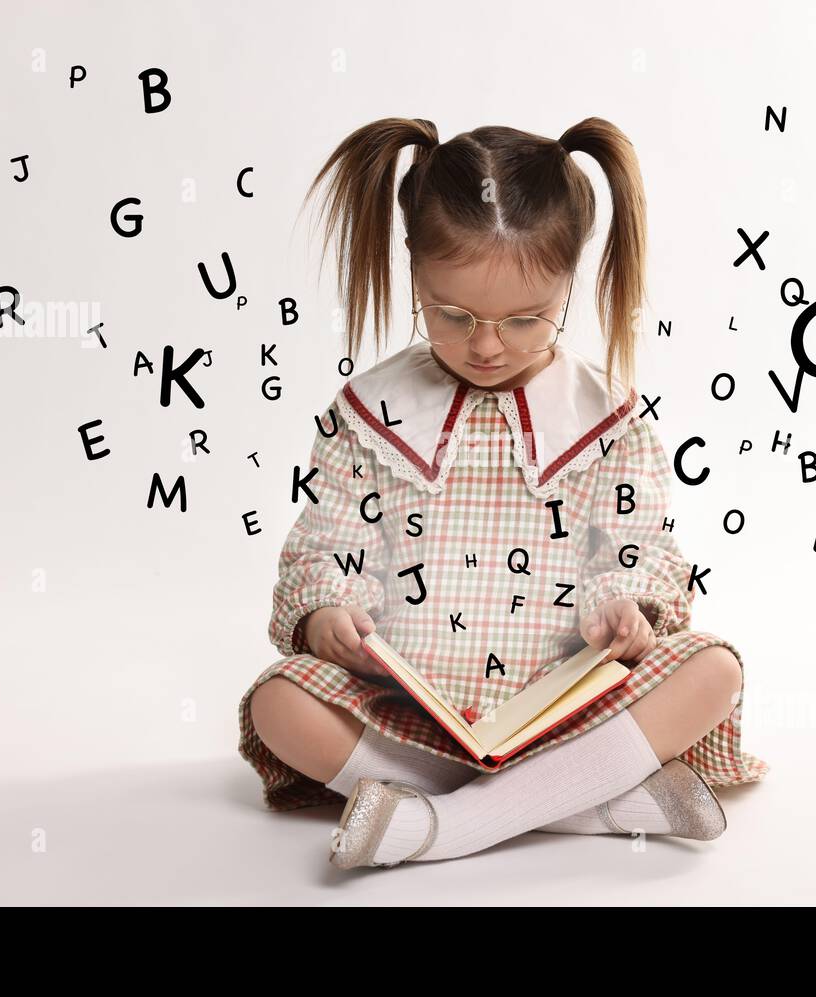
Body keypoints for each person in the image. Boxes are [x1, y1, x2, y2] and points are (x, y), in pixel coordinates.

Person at [238, 116, 769, 869]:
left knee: (714, 670)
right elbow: (327, 544)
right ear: (415, 272)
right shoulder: (367, 414)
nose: (486, 345)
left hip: (572, 711)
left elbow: (639, 545)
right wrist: (326, 614)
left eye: (525, 319)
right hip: (410, 712)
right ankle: (580, 805)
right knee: (278, 702)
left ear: (568, 283)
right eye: (452, 314)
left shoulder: (606, 417)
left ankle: (442, 823)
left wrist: (626, 608)